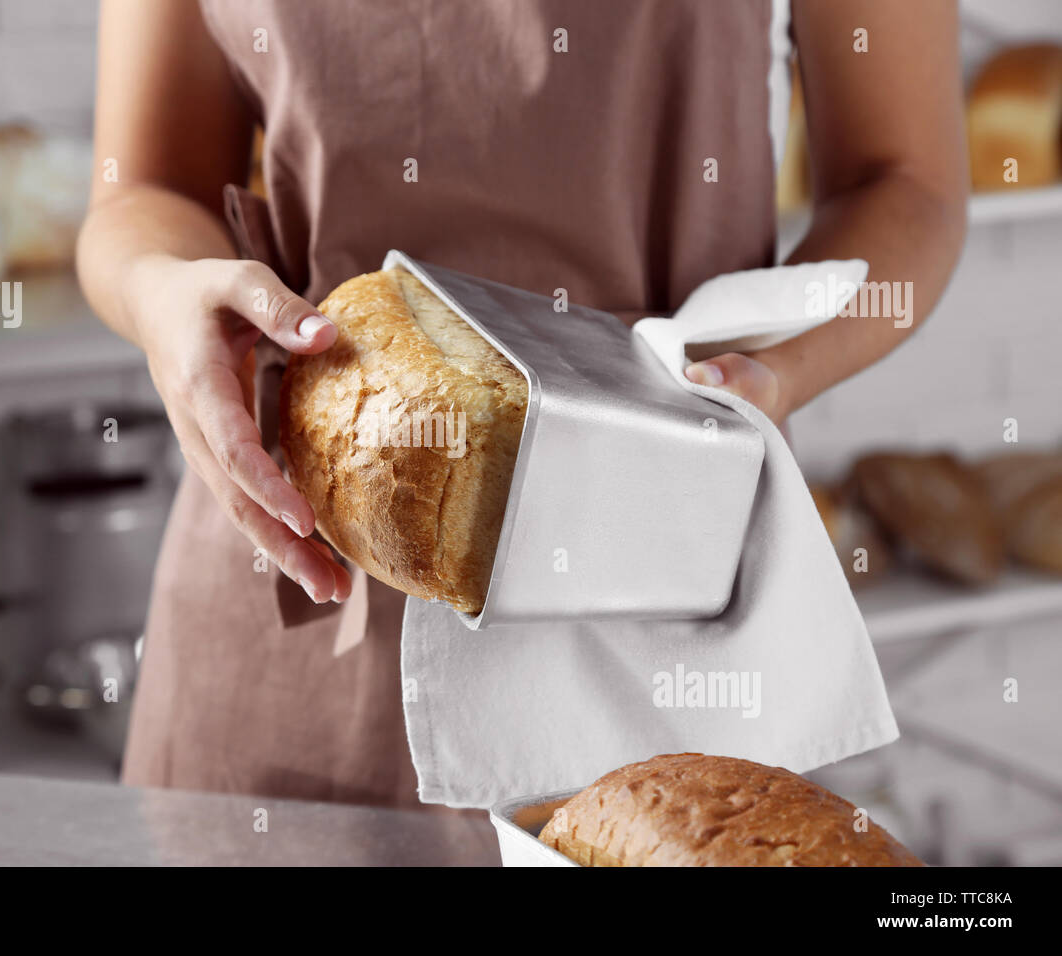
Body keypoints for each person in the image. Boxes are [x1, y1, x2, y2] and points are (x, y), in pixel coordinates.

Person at [77, 0, 968, 805]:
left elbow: (905, 180)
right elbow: (145, 189)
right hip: (299, 556)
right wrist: (165, 292)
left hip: (648, 561)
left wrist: (774, 371)